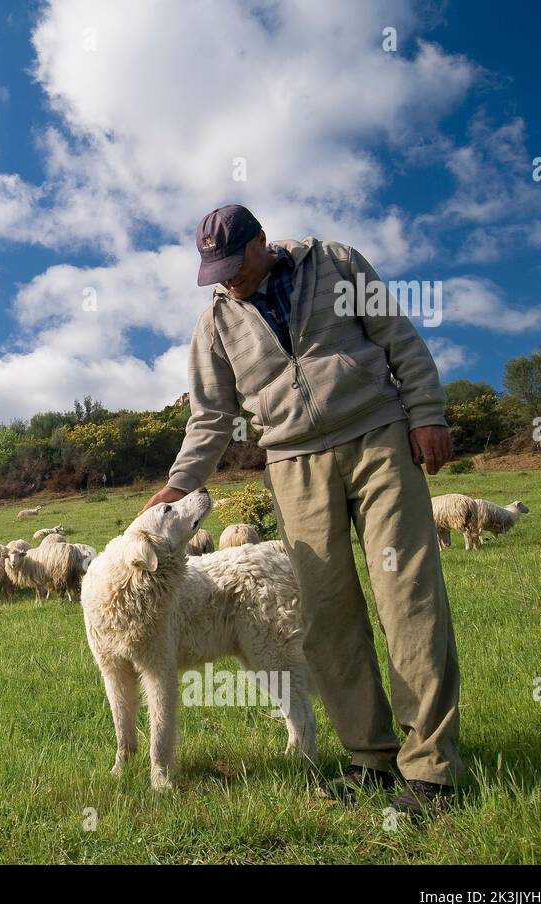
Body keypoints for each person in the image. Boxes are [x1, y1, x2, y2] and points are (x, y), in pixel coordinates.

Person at [143, 203, 462, 817]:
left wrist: (426, 413)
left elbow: (399, 338)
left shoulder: (336, 263)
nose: (229, 281)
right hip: (293, 466)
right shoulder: (216, 324)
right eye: (217, 273)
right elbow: (211, 418)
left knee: (409, 599)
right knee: (325, 615)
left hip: (377, 441)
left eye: (236, 266)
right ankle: (369, 759)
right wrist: (177, 489)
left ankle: (430, 773)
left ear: (264, 242)